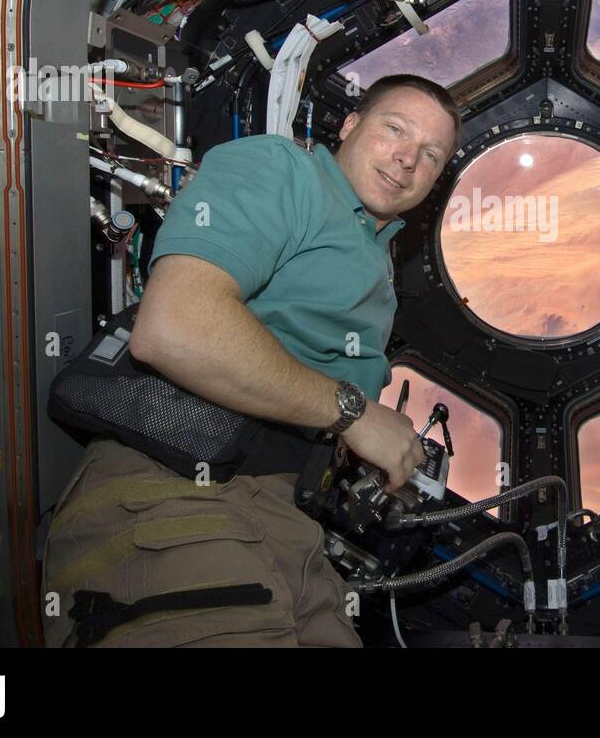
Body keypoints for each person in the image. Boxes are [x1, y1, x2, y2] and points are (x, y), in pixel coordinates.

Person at [42, 74, 460, 647]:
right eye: (395, 129)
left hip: (289, 527)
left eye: (431, 155)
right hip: (180, 487)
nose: (409, 159)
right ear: (349, 125)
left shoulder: (374, 257)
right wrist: (355, 414)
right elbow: (176, 327)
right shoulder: (282, 170)